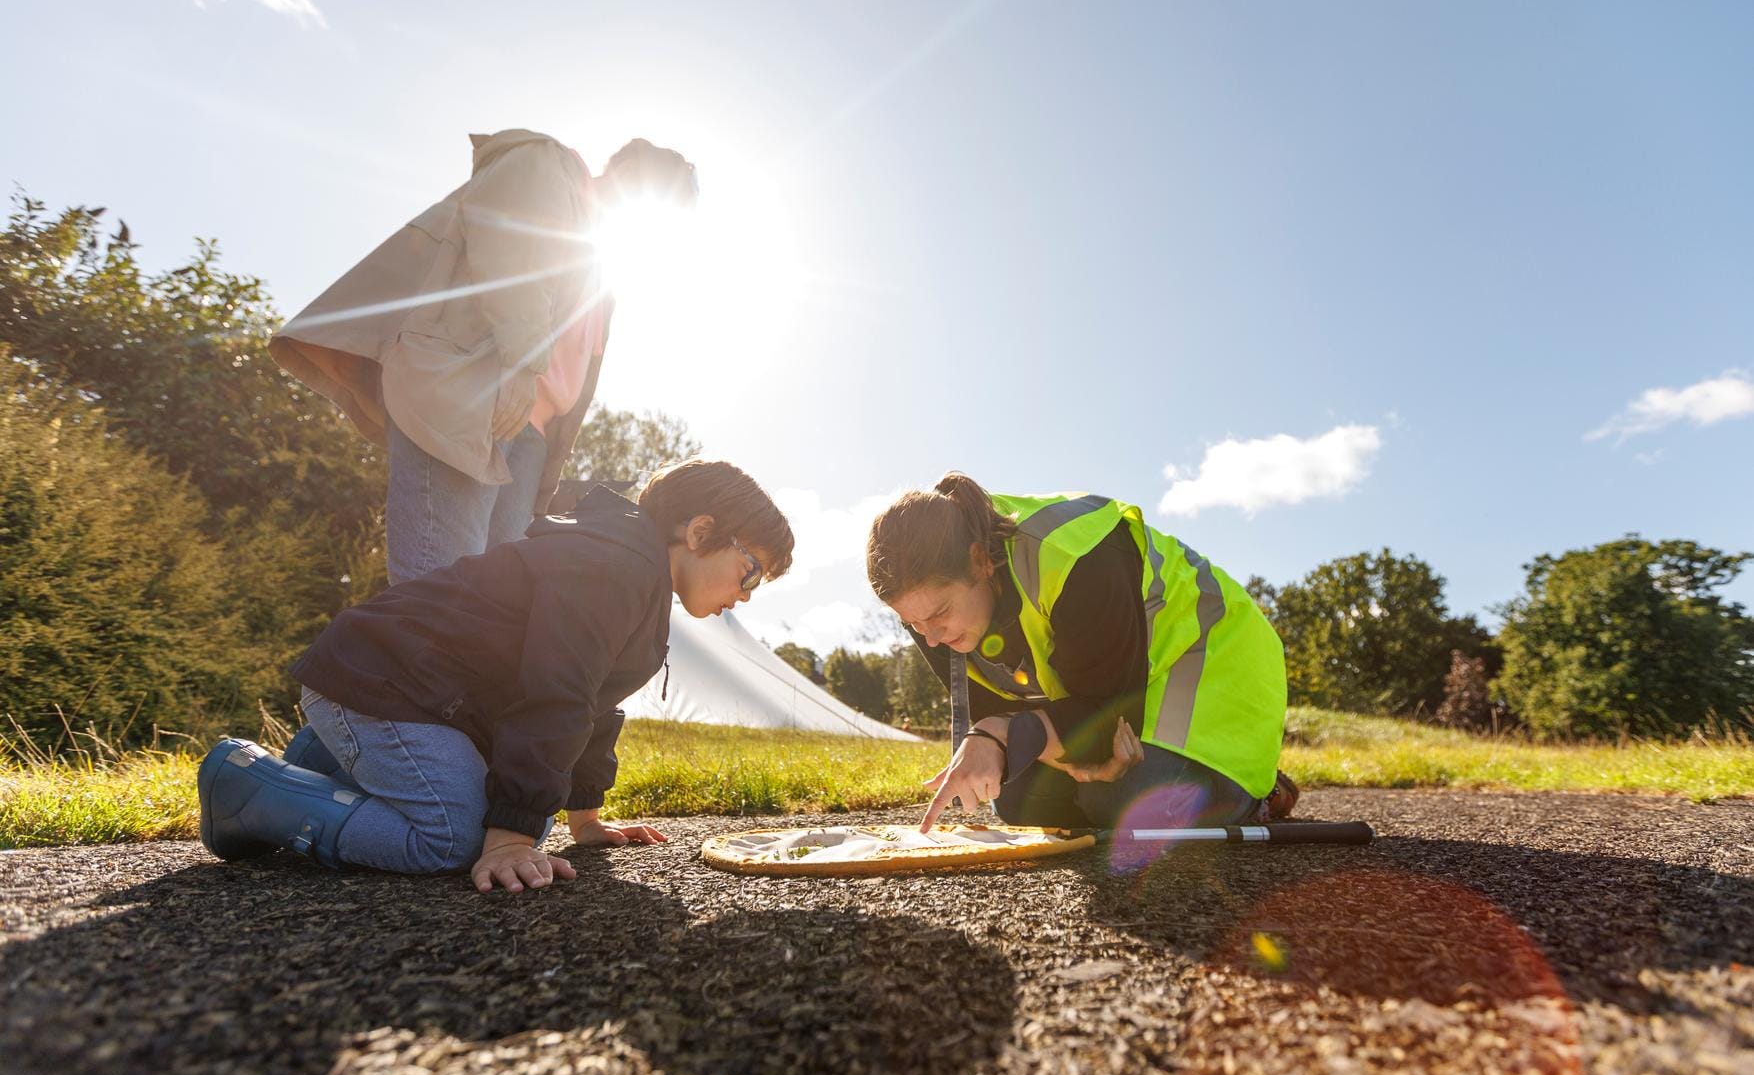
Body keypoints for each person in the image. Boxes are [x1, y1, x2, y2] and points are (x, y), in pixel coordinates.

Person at [197, 460, 792, 894]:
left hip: (417, 698)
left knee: (481, 817)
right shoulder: (612, 569)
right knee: (453, 840)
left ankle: (315, 762)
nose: (745, 595)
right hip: (381, 684)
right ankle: (244, 788)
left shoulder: (640, 585)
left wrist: (584, 818)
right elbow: (555, 694)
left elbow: (594, 701)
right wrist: (511, 835)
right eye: (750, 572)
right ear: (700, 532)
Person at [269, 128, 698, 586]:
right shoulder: (548, 166)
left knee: (488, 605)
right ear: (627, 169)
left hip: (530, 438)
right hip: (478, 395)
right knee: (436, 584)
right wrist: (521, 364)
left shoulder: (600, 267)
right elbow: (507, 253)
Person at [865, 473, 1296, 836]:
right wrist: (1040, 748)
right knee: (1014, 801)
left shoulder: (1078, 558)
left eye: (939, 614)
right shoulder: (928, 613)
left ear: (981, 562)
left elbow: (1106, 713)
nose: (932, 639)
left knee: (1122, 800)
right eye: (912, 624)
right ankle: (1171, 783)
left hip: (1215, 666)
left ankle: (1248, 793)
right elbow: (1007, 721)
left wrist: (1017, 737)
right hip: (1122, 689)